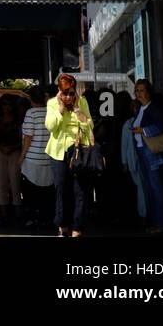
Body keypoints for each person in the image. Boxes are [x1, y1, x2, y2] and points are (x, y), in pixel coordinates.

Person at [45, 72, 94, 238]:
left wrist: (78, 111)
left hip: (79, 151)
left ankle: (77, 227)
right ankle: (62, 225)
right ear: (59, 92)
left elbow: (90, 125)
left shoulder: (82, 102)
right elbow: (51, 127)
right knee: (61, 189)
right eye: (65, 93)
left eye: (71, 93)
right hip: (58, 153)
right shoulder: (52, 103)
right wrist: (60, 109)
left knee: (80, 190)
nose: (68, 97)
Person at [131, 79, 163, 232]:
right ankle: (157, 223)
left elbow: (161, 126)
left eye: (141, 90)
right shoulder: (140, 109)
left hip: (152, 153)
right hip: (143, 151)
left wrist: (143, 130)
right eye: (137, 91)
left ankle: (162, 224)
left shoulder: (153, 108)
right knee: (149, 188)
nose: (138, 93)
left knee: (157, 188)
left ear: (149, 92)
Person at [19, 85, 53, 227]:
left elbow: (28, 137)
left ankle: (33, 219)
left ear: (31, 99)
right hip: (48, 158)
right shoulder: (51, 112)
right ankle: (46, 219)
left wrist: (21, 157)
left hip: (32, 159)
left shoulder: (31, 113)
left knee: (31, 192)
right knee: (46, 192)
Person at [0, 96, 23, 225]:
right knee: (1, 182)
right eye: (4, 104)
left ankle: (18, 214)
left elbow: (22, 140)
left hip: (14, 151)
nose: (6, 107)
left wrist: (11, 148)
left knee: (16, 183)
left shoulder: (17, 121)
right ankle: (4, 214)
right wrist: (1, 148)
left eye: (9, 104)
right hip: (0, 152)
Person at [121, 97, 147, 226]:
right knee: (142, 187)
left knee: (141, 188)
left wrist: (124, 162)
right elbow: (124, 145)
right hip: (135, 161)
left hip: (137, 160)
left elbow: (124, 145)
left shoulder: (130, 124)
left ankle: (143, 214)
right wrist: (125, 162)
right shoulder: (129, 124)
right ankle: (143, 214)